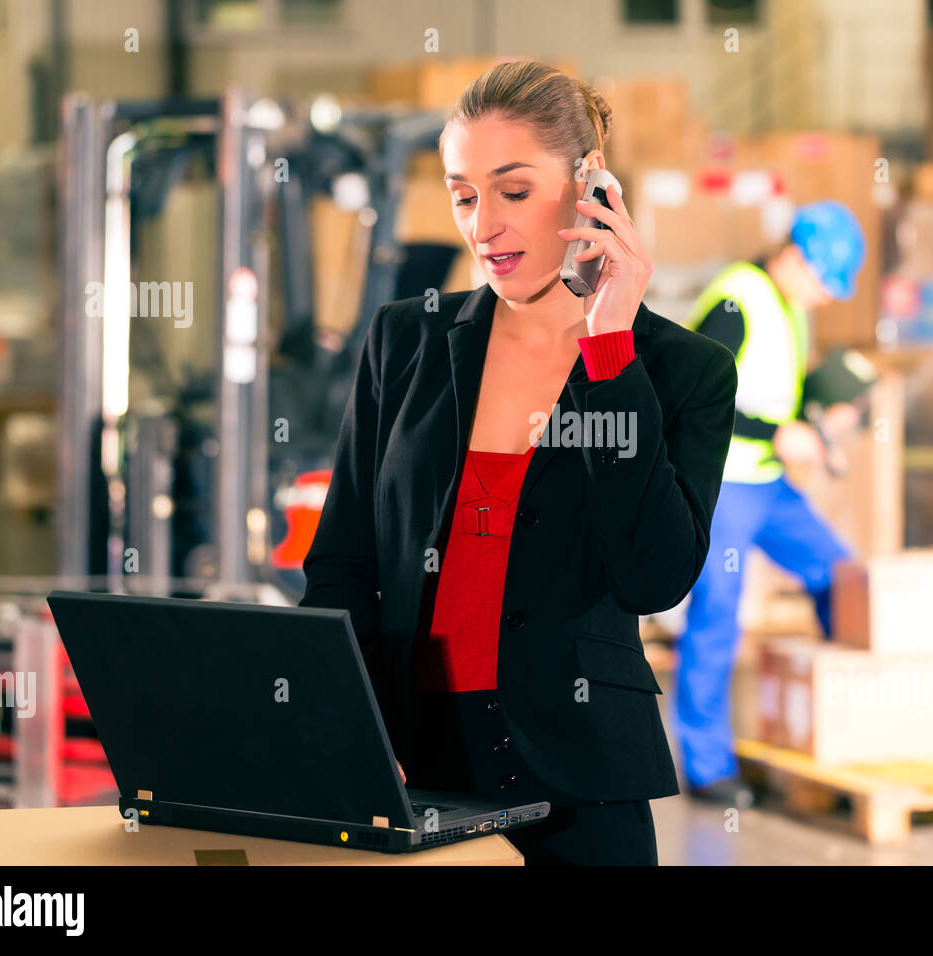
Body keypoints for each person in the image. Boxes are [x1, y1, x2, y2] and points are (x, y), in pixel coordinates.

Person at [298, 59, 736, 866]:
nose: (482, 227)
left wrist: (608, 347)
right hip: (410, 776)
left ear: (589, 187)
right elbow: (342, 568)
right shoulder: (407, 341)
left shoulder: (682, 372)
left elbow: (654, 577)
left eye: (514, 190)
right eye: (465, 195)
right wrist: (344, 733)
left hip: (582, 792)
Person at [675, 200, 867, 806]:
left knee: (843, 576)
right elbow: (690, 389)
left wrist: (822, 409)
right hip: (725, 484)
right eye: (823, 281)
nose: (827, 296)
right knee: (717, 618)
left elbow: (776, 389)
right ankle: (708, 769)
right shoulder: (738, 297)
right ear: (794, 255)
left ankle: (847, 735)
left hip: (769, 485)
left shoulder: (790, 306)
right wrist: (774, 433)